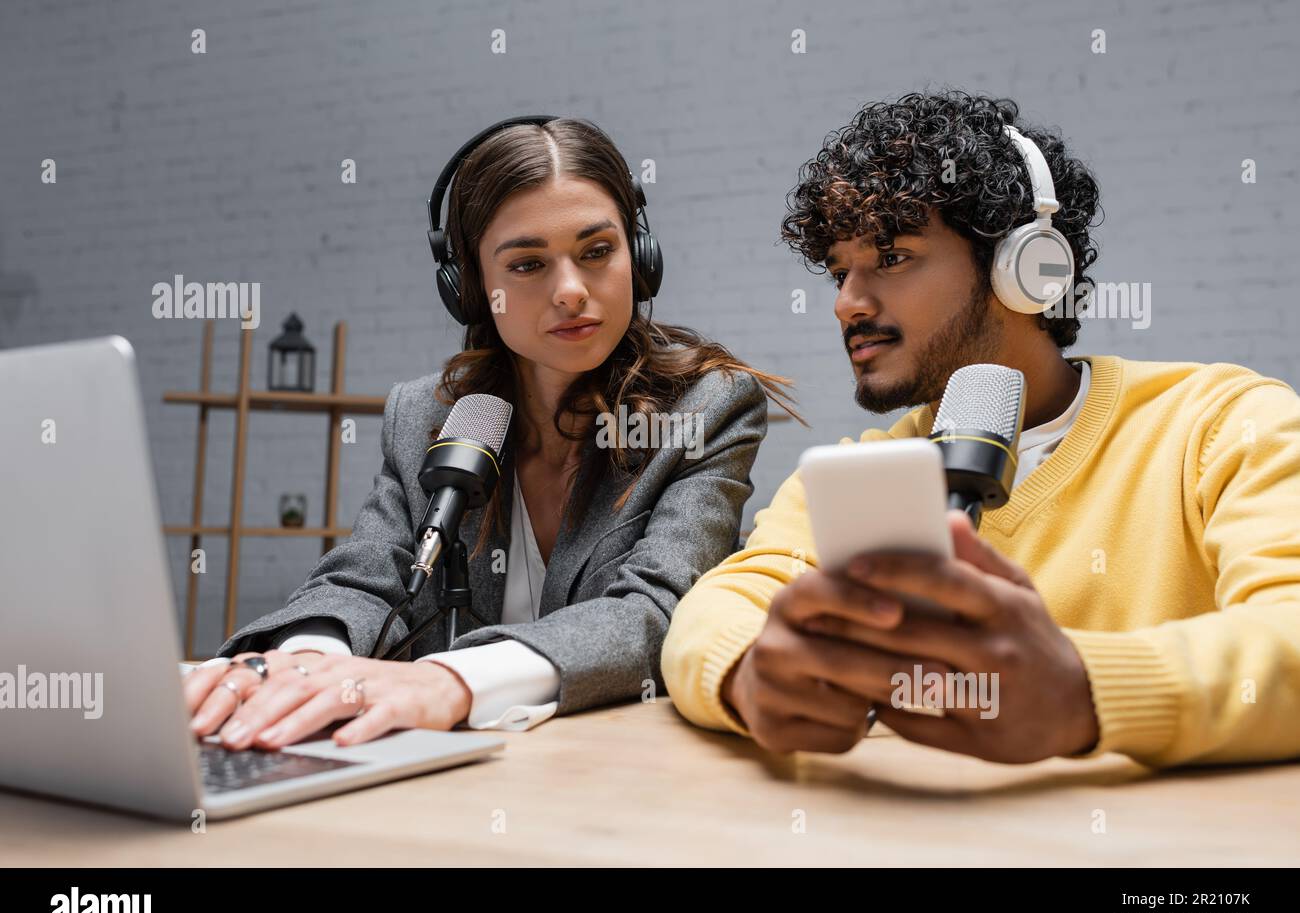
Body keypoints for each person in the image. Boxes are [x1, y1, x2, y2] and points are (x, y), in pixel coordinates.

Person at [662, 90, 1300, 768]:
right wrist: (750, 673)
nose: (848, 302)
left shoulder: (1223, 424)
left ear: (1025, 266)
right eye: (839, 271)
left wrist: (1085, 692)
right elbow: (714, 612)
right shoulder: (861, 474)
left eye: (892, 257)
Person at [185, 115, 796, 750]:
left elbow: (656, 612)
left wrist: (450, 680)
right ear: (474, 290)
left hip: (614, 771)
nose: (570, 292)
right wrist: (308, 660)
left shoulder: (706, 407)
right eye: (528, 264)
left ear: (639, 260)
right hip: (441, 776)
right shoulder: (426, 413)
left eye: (596, 251)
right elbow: (364, 578)